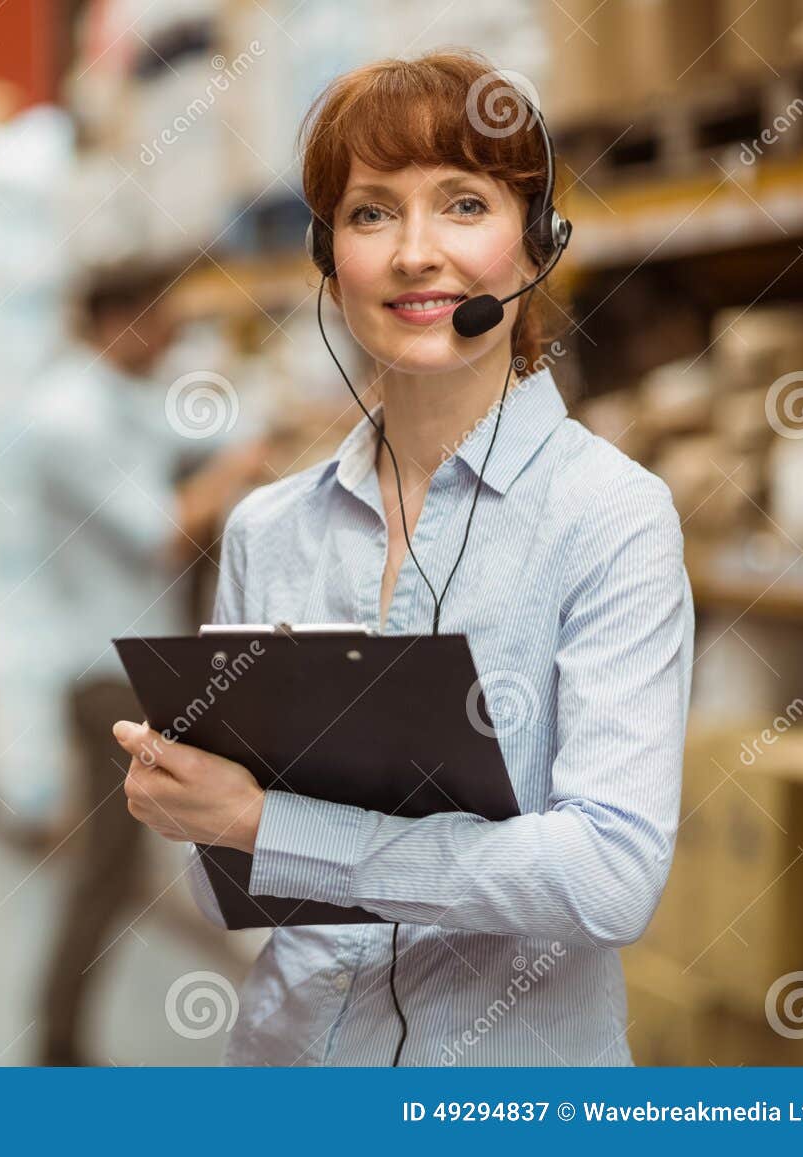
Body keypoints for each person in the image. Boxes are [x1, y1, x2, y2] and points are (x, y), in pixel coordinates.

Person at [113, 51, 694, 1066]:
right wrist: (194, 804)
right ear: (328, 255)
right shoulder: (266, 528)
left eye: (462, 204)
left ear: (535, 246)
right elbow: (232, 879)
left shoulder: (610, 517)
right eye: (372, 213)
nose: (417, 253)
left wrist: (273, 821)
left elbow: (606, 873)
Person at [31, 263, 268, 1066]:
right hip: (105, 672)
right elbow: (161, 530)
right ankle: (57, 1047)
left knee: (112, 866)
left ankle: (60, 1042)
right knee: (107, 868)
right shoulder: (66, 413)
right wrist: (239, 469)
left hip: (137, 662)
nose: (173, 336)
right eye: (164, 319)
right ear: (119, 317)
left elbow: (195, 434)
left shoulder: (128, 394)